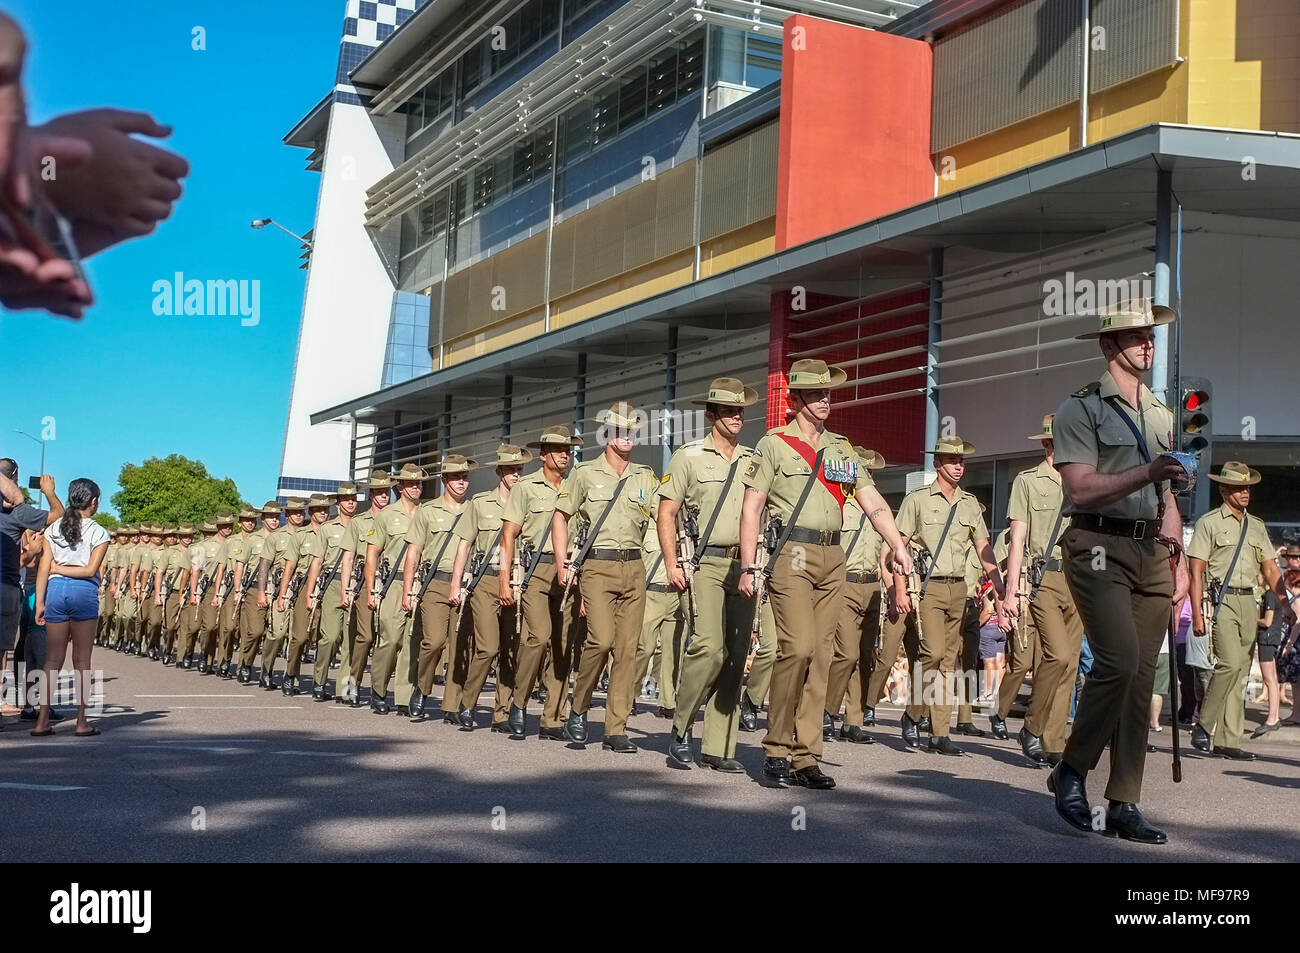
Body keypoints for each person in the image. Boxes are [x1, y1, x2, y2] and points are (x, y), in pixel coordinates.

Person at [1048, 299, 1189, 845]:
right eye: (1134, 338)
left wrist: (1176, 550)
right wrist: (1149, 471)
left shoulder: (1160, 412)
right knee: (1118, 660)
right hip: (1097, 544)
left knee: (1140, 678)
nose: (1146, 344)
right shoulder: (1078, 408)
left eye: (1149, 336)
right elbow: (1080, 488)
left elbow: (1167, 490)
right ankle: (1071, 768)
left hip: (1152, 550)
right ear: (1108, 347)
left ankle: (1125, 799)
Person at [739, 360, 911, 788]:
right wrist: (747, 565)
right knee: (796, 648)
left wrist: (897, 544)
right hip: (791, 553)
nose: (824, 400)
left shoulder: (841, 448)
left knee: (822, 656)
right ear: (795, 400)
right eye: (815, 394)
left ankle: (806, 757)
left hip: (833, 556)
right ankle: (776, 745)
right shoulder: (775, 444)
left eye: (827, 393)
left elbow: (872, 502)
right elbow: (752, 506)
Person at [660, 378, 759, 773]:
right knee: (709, 648)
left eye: (740, 411)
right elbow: (665, 513)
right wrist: (671, 563)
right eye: (729, 411)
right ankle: (681, 728)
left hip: (745, 563)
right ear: (711, 414)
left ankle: (718, 746)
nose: (736, 417)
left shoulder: (754, 458)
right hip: (704, 562)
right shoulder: (688, 457)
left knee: (737, 656)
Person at [553, 402, 658, 753]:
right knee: (600, 640)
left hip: (634, 566)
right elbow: (560, 517)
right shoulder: (584, 474)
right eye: (621, 431)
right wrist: (561, 563)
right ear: (608, 435)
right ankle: (579, 709)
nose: (627, 437)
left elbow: (665, 514)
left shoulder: (645, 475)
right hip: (597, 567)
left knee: (628, 649)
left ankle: (616, 728)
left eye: (632, 431)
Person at [893, 437, 1005, 757]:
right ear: (937, 464)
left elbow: (984, 549)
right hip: (930, 587)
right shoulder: (917, 500)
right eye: (951, 459)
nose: (959, 465)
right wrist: (900, 588)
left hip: (960, 589)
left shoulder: (969, 503)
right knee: (933, 653)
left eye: (961, 460)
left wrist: (998, 586)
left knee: (949, 662)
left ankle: (939, 734)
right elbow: (898, 547)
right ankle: (914, 714)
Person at [1000, 414, 1084, 767]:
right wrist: (1009, 593)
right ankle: (1031, 728)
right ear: (1048, 444)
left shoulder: (1083, 482)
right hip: (1043, 578)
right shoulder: (1028, 482)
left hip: (1079, 579)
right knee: (1058, 655)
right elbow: (1017, 539)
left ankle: (1054, 743)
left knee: (1071, 666)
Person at [1188, 462, 1287, 760]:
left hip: (1250, 601)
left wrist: (1286, 604)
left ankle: (1228, 742)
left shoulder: (1256, 525)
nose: (1246, 493)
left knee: (1241, 673)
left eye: (1248, 488)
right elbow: (1196, 572)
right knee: (1229, 664)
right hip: (1222, 600)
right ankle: (1203, 726)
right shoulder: (1209, 523)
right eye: (1239, 488)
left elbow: (1270, 568)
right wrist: (1196, 613)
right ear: (1223, 490)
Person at [497, 427, 582, 738]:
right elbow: (508, 536)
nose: (565, 454)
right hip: (536, 569)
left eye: (568, 449)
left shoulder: (577, 485)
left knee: (564, 645)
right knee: (539, 636)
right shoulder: (526, 487)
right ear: (544, 454)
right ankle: (518, 703)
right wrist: (504, 581)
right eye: (558, 449)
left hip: (570, 570)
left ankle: (553, 720)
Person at [450, 447, 528, 730]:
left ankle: (502, 714)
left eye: (519, 469)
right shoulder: (480, 503)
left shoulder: (529, 501)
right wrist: (457, 585)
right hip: (486, 580)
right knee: (488, 647)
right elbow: (464, 544)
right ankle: (467, 703)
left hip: (519, 580)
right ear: (499, 473)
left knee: (512, 648)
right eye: (510, 470)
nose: (516, 474)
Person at [31, 477, 109, 736]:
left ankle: (42, 721)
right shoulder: (99, 532)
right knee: (82, 661)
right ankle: (81, 721)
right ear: (94, 502)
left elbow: (44, 568)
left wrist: (40, 602)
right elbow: (89, 570)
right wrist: (64, 569)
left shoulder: (53, 529)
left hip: (55, 592)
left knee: (52, 660)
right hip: (83, 593)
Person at [823, 447, 887, 744]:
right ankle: (826, 711)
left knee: (865, 657)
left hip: (872, 586)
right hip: (844, 584)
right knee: (845, 653)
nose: (869, 478)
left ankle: (853, 721)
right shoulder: (839, 507)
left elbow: (886, 554)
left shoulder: (879, 511)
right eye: (865, 471)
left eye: (872, 473)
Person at [403, 459, 472, 719]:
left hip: (466, 583)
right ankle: (422, 687)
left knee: (459, 646)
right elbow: (414, 551)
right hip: (435, 582)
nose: (461, 481)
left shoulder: (474, 509)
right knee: (433, 641)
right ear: (445, 480)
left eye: (464, 476)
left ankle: (452, 704)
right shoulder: (428, 511)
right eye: (455, 477)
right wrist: (407, 590)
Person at [0, 459, 62, 722]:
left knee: (23, 648)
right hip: (16, 587)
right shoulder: (19, 512)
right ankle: (29, 704)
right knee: (26, 649)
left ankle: (27, 704)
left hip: (21, 588)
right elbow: (56, 513)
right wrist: (49, 492)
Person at [364, 464, 426, 714]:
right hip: (394, 582)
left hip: (421, 581)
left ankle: (403, 696)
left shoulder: (427, 513)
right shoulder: (386, 515)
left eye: (419, 483)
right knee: (389, 639)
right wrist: (370, 590)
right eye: (410, 484)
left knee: (412, 640)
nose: (416, 487)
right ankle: (378, 689)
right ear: (399, 486)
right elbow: (372, 554)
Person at [339, 471, 392, 706]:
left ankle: (380, 689)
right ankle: (352, 684)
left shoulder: (397, 517)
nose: (384, 496)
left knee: (390, 638)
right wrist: (345, 590)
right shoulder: (359, 522)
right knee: (365, 636)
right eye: (379, 492)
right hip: (365, 582)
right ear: (371, 494)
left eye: (386, 491)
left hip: (391, 582)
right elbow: (348, 558)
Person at [308, 483, 358, 701]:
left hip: (357, 583)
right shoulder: (327, 529)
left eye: (354, 498)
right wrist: (310, 593)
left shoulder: (363, 525)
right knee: (329, 637)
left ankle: (345, 689)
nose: (351, 502)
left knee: (351, 640)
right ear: (338, 503)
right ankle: (319, 681)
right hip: (333, 583)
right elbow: (316, 562)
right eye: (346, 499)